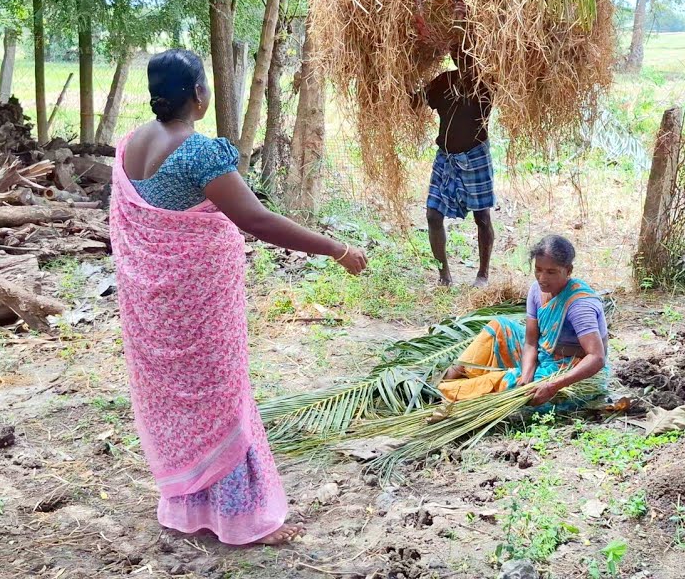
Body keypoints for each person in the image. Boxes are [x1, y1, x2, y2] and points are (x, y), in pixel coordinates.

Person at [110, 49, 367, 547]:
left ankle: (189, 505)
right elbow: (257, 220)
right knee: (219, 398)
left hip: (156, 307)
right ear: (200, 94)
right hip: (197, 305)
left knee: (182, 399)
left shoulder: (132, 142)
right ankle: (239, 517)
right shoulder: (198, 152)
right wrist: (337, 248)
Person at [437, 235, 607, 406]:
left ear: (568, 270)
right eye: (538, 270)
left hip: (570, 368)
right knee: (498, 327)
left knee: (515, 388)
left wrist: (553, 386)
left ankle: (447, 393)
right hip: (543, 352)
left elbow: (597, 357)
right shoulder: (536, 290)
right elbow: (531, 342)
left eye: (551, 272)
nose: (542, 278)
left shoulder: (579, 305)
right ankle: (450, 377)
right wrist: (526, 376)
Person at [413, 47, 495, 287]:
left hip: (476, 155)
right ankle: (444, 276)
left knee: (482, 217)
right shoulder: (445, 81)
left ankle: (483, 274)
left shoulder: (486, 82)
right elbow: (415, 101)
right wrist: (398, 76)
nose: (462, 57)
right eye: (457, 53)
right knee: (432, 215)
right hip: (446, 157)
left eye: (468, 52)